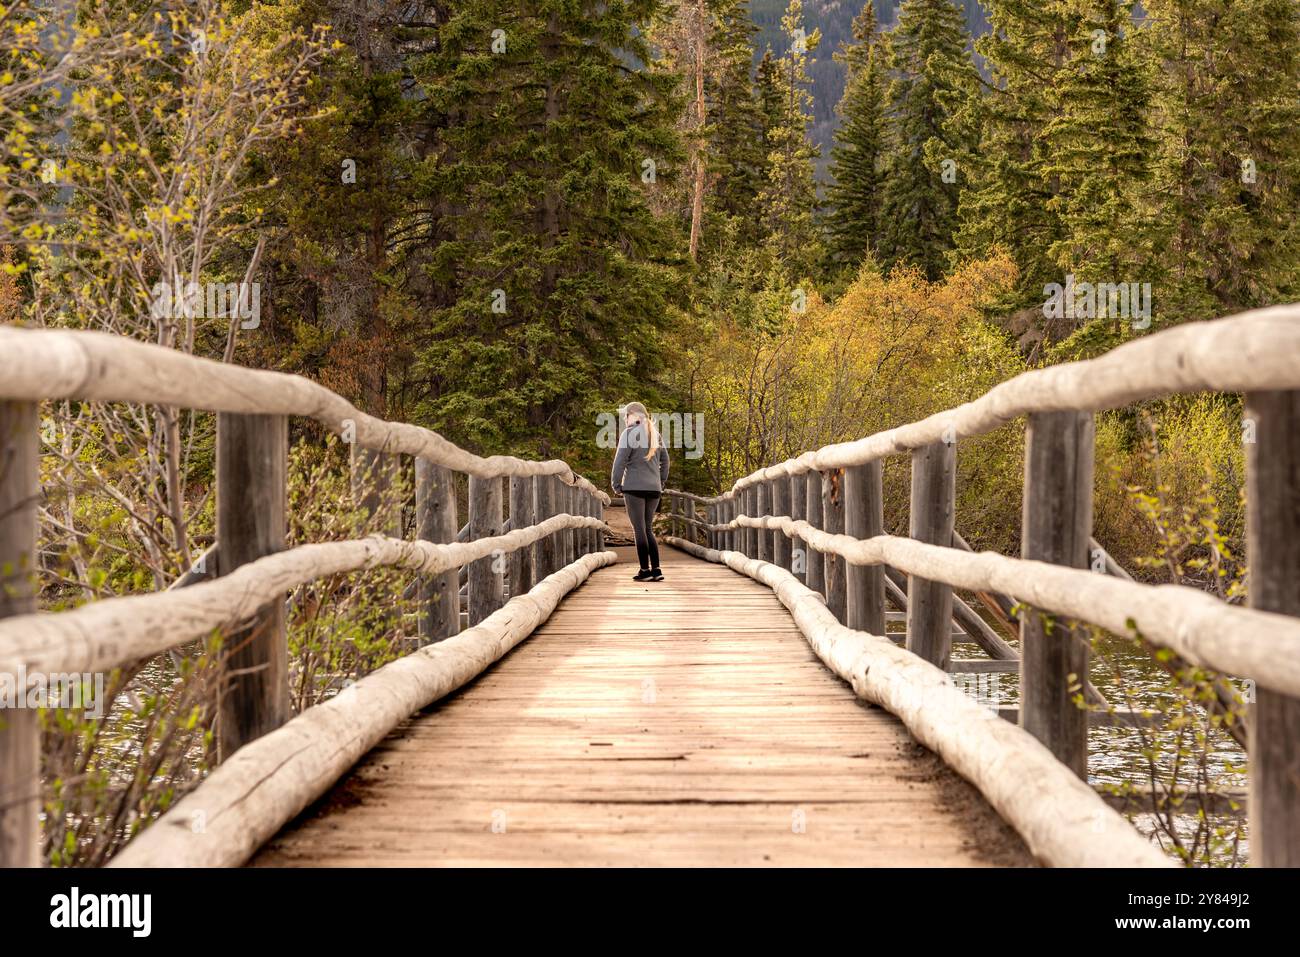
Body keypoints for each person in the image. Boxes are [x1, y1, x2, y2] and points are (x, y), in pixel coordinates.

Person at [611, 402, 670, 581]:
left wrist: (616, 484)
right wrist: (660, 481)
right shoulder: (655, 434)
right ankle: (657, 570)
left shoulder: (628, 434)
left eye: (626, 415)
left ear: (634, 415)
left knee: (639, 530)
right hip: (653, 489)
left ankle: (644, 570)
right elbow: (665, 461)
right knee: (648, 529)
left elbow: (620, 461)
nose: (624, 418)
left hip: (634, 487)